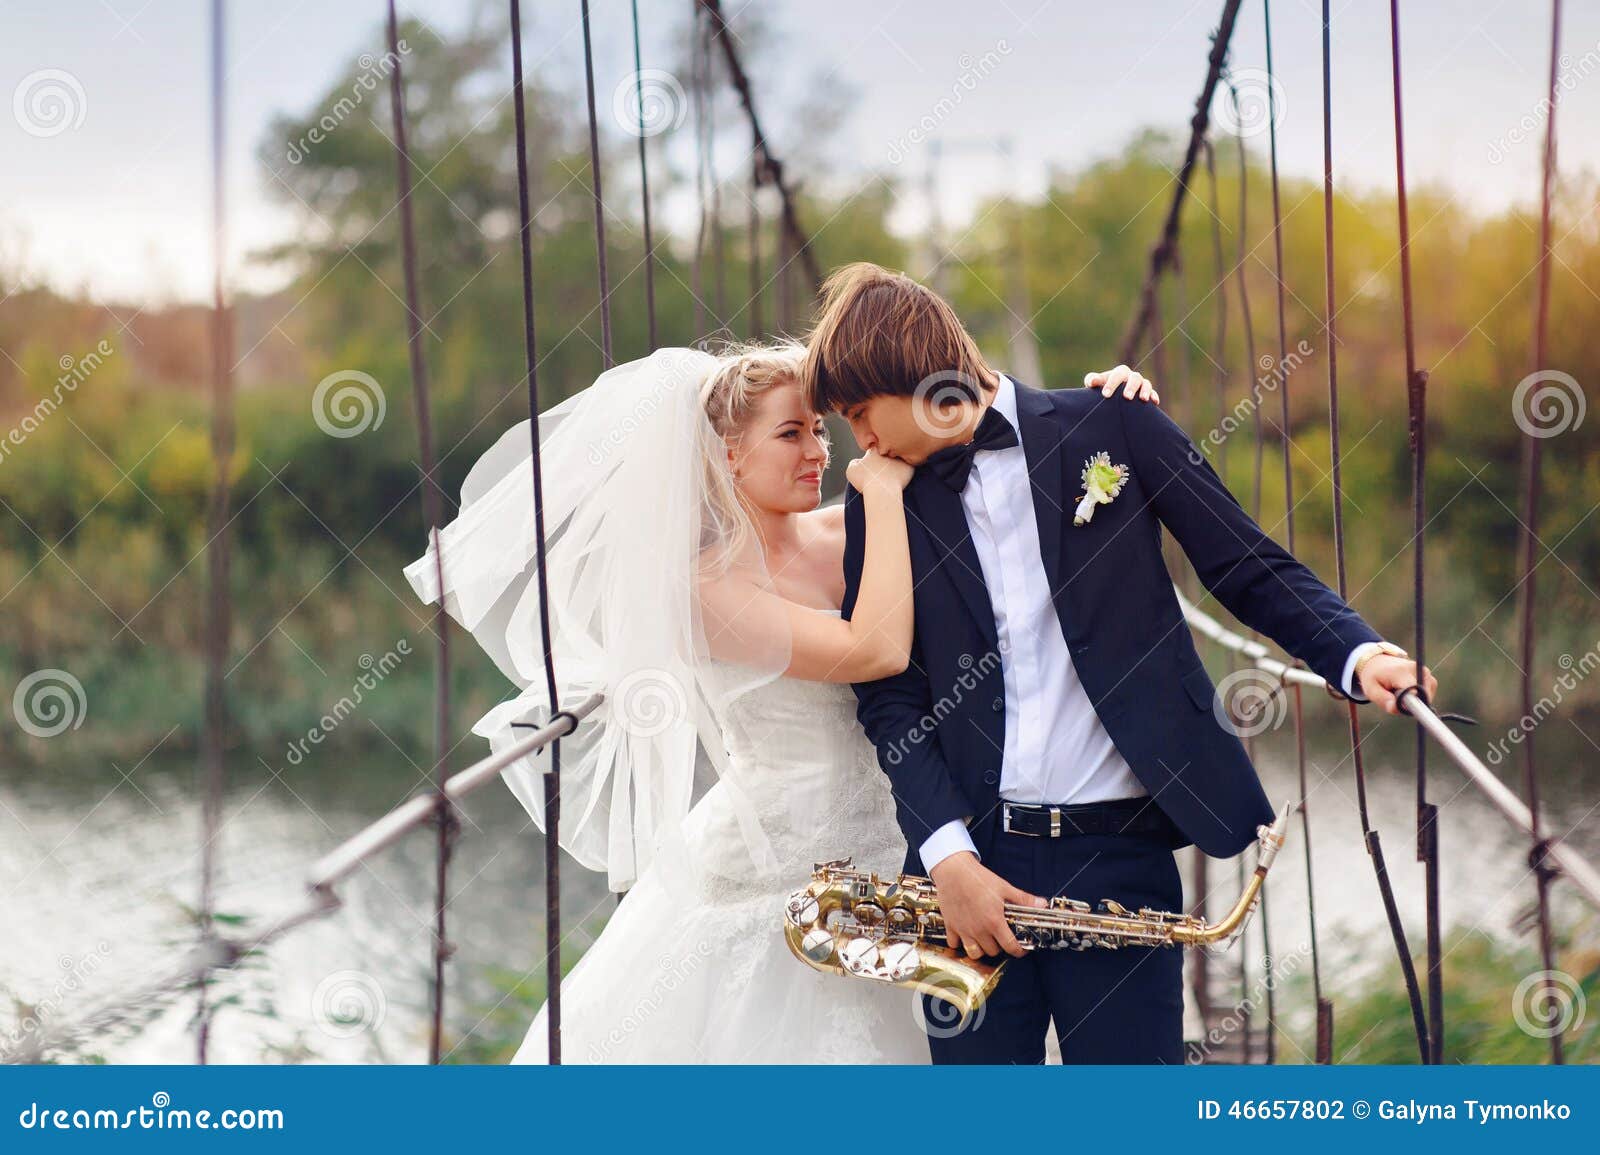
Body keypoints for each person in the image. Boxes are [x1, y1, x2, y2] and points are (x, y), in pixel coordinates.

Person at [405, 342, 1160, 1062]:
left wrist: (1104, 415)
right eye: (790, 433)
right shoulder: (705, 588)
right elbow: (876, 652)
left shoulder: (853, 526)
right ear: (727, 452)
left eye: (822, 430)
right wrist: (887, 495)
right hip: (775, 882)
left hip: (911, 864)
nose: (819, 452)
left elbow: (1010, 493)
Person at [803, 263, 1438, 1065]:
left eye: (861, 413)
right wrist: (946, 856)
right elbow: (891, 696)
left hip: (1121, 856)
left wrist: (1356, 650)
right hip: (969, 869)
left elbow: (1242, 563)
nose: (860, 443)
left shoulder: (1115, 427)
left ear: (913, 373)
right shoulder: (882, 496)